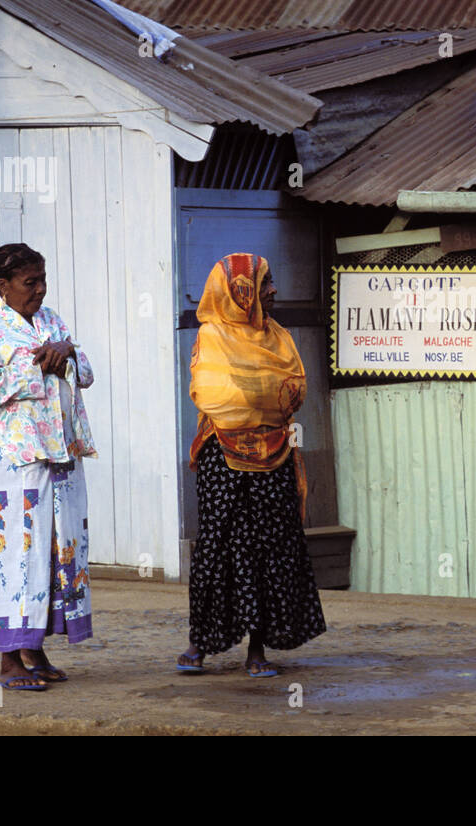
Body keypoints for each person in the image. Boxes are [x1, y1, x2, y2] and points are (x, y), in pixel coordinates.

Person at [177, 253, 325, 677]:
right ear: (240, 293)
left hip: (275, 453)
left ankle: (257, 649)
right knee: (218, 546)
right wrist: (261, 398)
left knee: (269, 546)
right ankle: (199, 643)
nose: (273, 290)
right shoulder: (212, 335)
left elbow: (294, 391)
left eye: (271, 282)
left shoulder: (278, 336)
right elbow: (215, 397)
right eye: (264, 284)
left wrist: (257, 397)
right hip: (222, 455)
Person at [0, 244, 96, 691]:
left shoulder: (53, 321)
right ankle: (8, 661)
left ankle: (34, 650)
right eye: (29, 282)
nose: (39, 289)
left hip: (58, 456)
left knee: (54, 553)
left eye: (43, 280)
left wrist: (68, 352)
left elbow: (87, 372)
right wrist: (39, 366)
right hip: (11, 463)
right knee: (16, 555)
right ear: (3, 287)